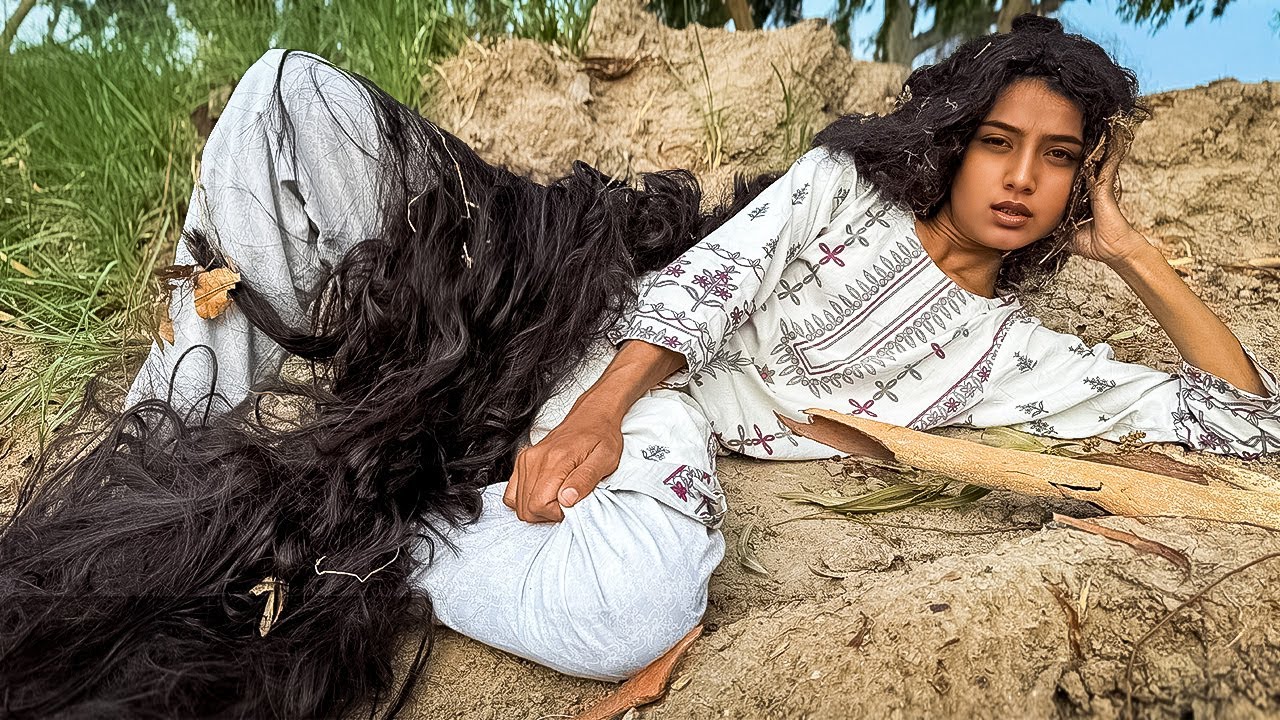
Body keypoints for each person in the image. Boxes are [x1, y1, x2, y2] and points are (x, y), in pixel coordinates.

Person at [3, 13, 1277, 719]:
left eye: (1057, 159)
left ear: (1078, 184)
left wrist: (1137, 260)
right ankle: (173, 447)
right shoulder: (844, 187)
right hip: (572, 299)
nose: (1019, 177)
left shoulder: (1016, 362)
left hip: (674, 415)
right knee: (289, 98)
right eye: (999, 141)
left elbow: (1247, 427)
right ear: (953, 137)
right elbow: (708, 279)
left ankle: (355, 529)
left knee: (634, 612)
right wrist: (599, 405)